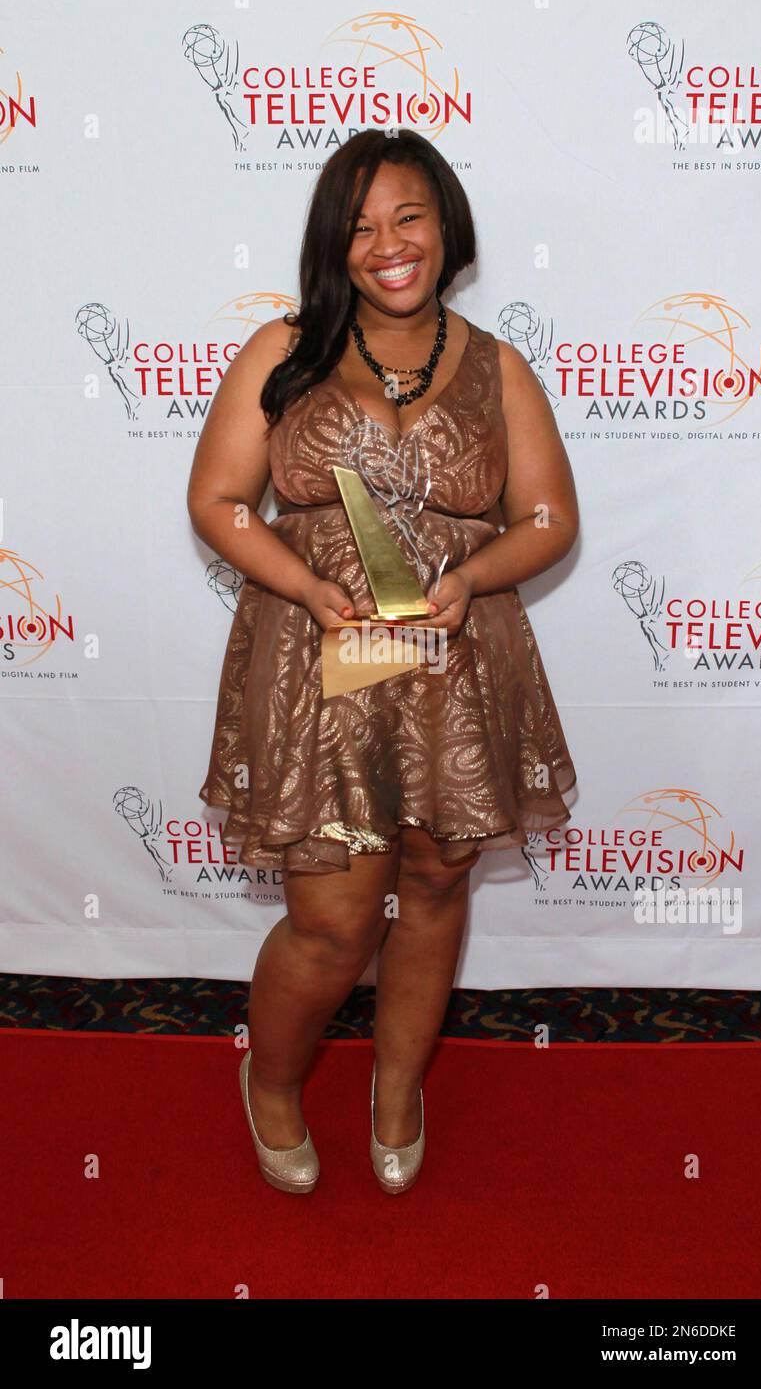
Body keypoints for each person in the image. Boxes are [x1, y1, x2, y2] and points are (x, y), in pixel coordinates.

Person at [187, 128, 579, 1196]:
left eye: (408, 216)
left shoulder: (499, 367)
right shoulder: (285, 349)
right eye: (358, 226)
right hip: (320, 663)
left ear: (446, 225)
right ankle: (273, 1083)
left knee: (438, 881)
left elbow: (549, 520)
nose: (387, 244)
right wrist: (308, 586)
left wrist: (476, 572)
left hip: (455, 662)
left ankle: (397, 1086)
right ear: (333, 245)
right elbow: (219, 500)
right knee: (333, 916)